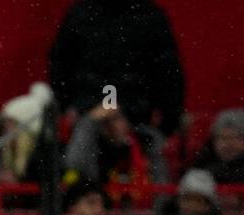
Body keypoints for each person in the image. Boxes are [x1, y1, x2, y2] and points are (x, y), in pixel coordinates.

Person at [49, 0, 183, 180]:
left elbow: (167, 71)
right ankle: (84, 198)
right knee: (78, 166)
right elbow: (61, 64)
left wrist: (165, 123)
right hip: (93, 114)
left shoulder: (150, 16)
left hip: (136, 119)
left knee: (152, 167)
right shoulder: (80, 13)